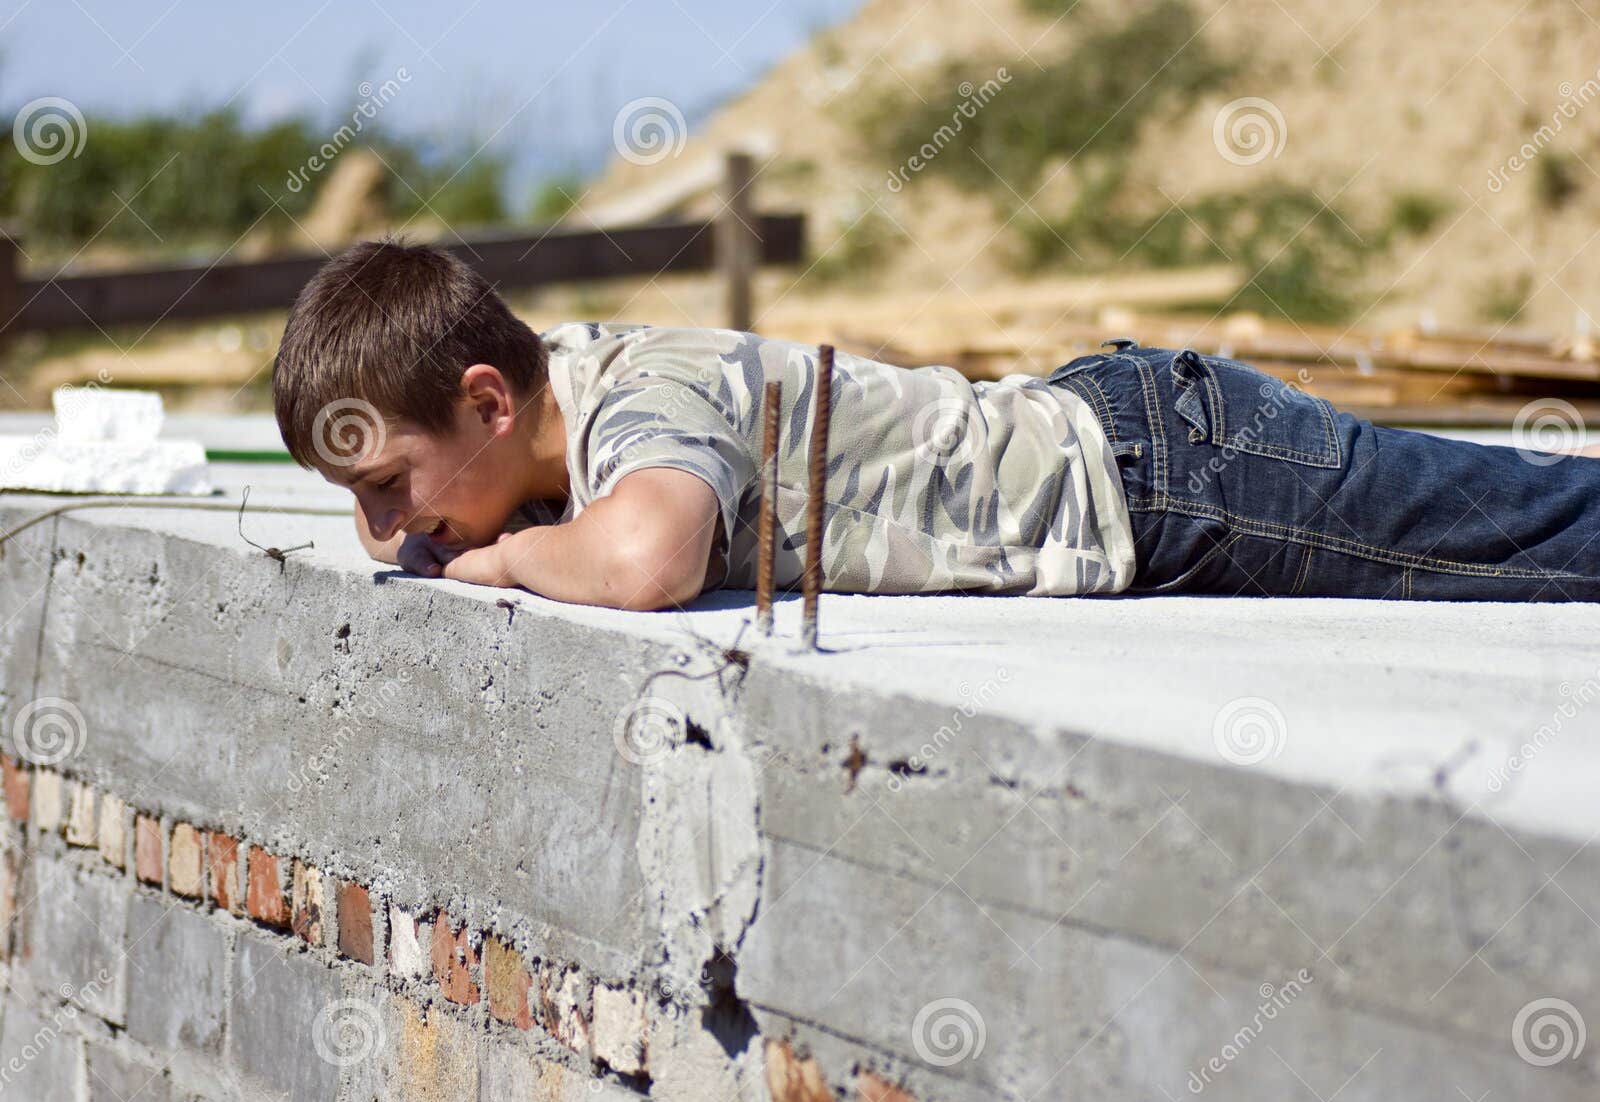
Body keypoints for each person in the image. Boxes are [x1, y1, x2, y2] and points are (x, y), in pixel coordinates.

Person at [272, 239, 1600, 610]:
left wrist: (501, 559)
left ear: (489, 401)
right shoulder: (550, 419)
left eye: (387, 484)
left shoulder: (646, 397)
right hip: (1137, 462)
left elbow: (647, 559)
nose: (384, 531)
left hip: (1176, 477)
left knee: (1533, 538)